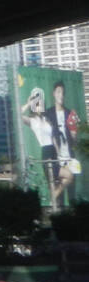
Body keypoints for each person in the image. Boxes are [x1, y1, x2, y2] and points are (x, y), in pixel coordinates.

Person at [46, 80, 80, 208]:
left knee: (71, 191)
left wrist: (74, 132)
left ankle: (55, 200)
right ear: (54, 93)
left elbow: (74, 139)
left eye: (63, 93)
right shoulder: (48, 113)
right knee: (60, 186)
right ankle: (55, 201)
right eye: (59, 92)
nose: (61, 95)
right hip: (56, 157)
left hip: (69, 156)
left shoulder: (69, 113)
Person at [21, 87, 58, 206]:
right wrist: (28, 103)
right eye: (36, 104)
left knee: (62, 177)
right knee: (51, 179)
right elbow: (18, 114)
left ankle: (54, 199)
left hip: (53, 149)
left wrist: (59, 152)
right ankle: (53, 203)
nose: (39, 107)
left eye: (40, 104)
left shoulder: (47, 119)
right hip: (45, 149)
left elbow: (53, 137)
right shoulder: (32, 120)